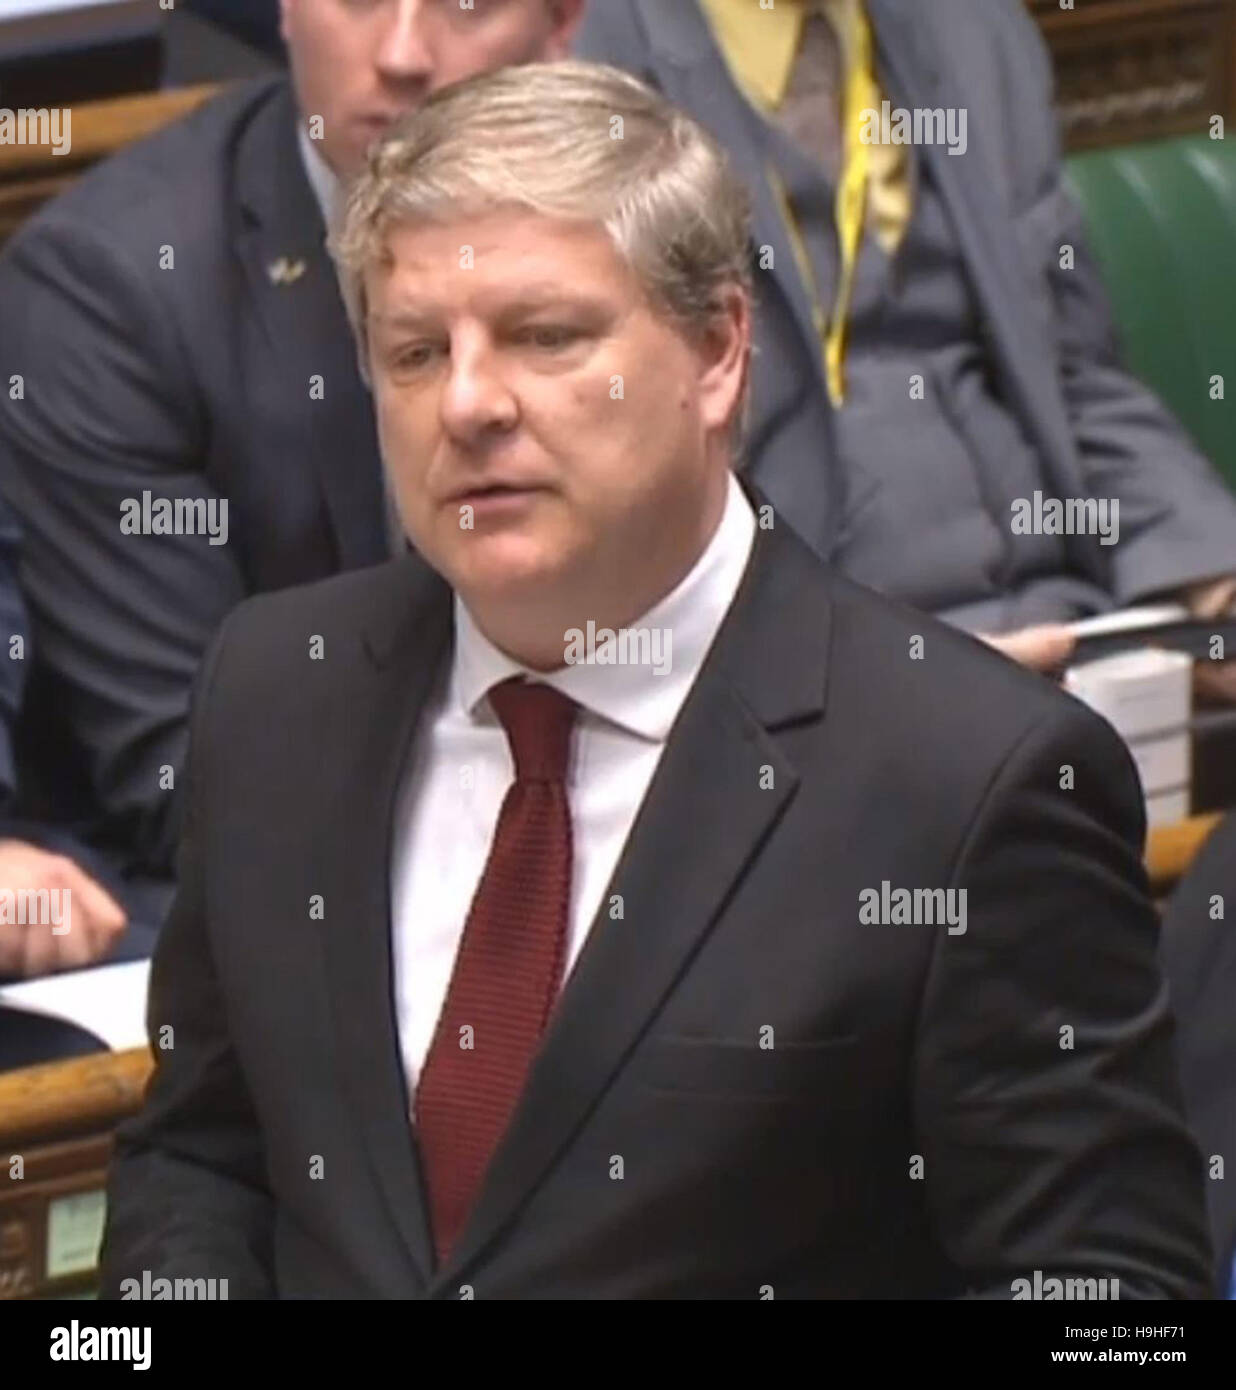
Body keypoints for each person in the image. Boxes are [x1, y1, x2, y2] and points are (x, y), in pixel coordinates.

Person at [98, 62, 1212, 1298]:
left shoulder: (965, 781)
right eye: (415, 351)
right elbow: (202, 1156)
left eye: (544, 335)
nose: (467, 403)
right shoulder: (274, 693)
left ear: (719, 350)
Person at [0, 0, 585, 918]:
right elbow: (186, 774)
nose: (401, 54)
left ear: (564, 22)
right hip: (290, 901)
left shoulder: (643, 221)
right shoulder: (110, 289)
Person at [575, 0, 1236, 675]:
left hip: (1071, 631)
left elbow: (1075, 375)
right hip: (808, 674)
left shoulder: (976, 33)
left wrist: (1213, 580)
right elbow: (618, 477)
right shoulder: (586, 72)